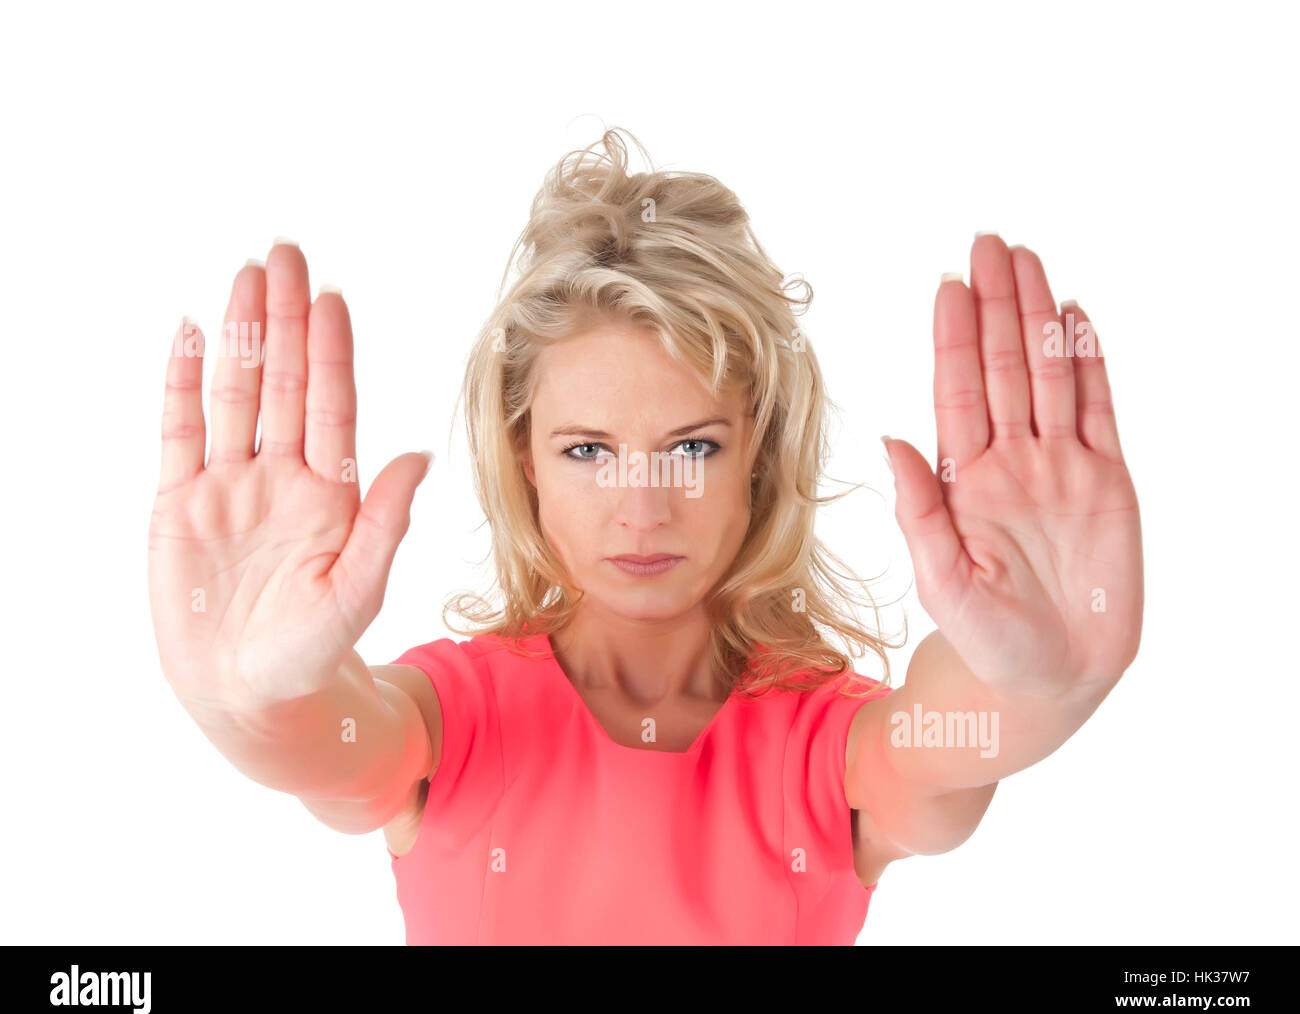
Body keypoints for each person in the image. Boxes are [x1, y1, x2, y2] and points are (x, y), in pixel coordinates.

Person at [147, 128, 1143, 945]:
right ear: (523, 455)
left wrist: (1039, 684)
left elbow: (946, 749)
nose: (641, 508)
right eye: (587, 451)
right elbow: (325, 741)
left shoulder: (828, 746)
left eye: (691, 447)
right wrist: (249, 698)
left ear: (756, 452)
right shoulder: (449, 717)